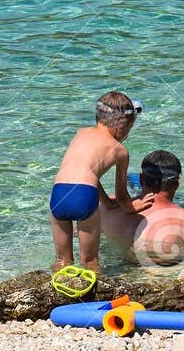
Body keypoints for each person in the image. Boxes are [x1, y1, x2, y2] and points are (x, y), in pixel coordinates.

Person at [50, 91, 149, 279]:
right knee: (89, 262)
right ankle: (91, 303)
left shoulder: (81, 133)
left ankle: (58, 294)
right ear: (124, 126)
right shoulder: (120, 150)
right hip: (84, 197)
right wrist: (131, 206)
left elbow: (89, 174)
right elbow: (121, 195)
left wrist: (105, 200)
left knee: (62, 261)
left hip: (58, 194)